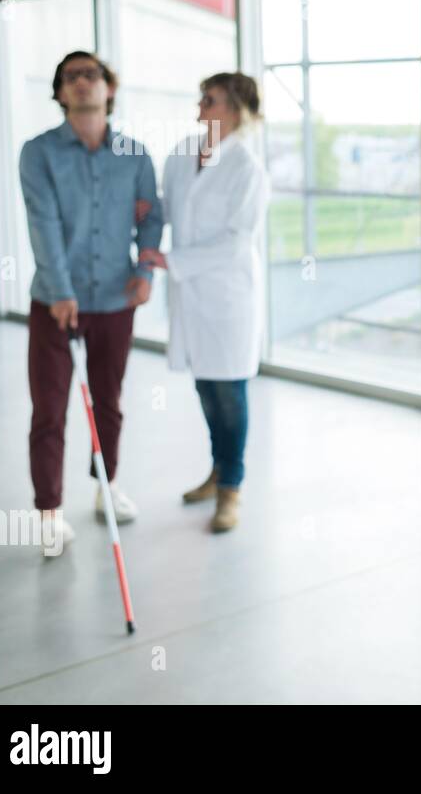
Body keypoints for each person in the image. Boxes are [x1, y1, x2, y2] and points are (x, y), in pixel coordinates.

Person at [20, 50, 162, 551]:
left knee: (109, 401)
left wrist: (145, 270)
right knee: (51, 407)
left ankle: (107, 485)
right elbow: (44, 225)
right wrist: (60, 292)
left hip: (114, 298)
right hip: (53, 302)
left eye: (92, 74)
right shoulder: (37, 153)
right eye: (71, 76)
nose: (82, 82)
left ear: (109, 88)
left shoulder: (134, 153)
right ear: (59, 92)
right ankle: (49, 513)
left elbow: (150, 217)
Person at [140, 73, 270, 533]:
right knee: (205, 388)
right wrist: (143, 217)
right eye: (200, 99)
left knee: (229, 392)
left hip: (228, 296)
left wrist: (172, 259)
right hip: (191, 296)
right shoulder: (182, 153)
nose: (200, 108)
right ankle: (217, 472)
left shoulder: (247, 169)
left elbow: (236, 242)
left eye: (209, 100)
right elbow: (165, 208)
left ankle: (232, 487)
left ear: (235, 109)